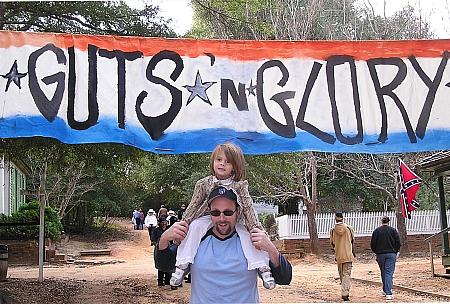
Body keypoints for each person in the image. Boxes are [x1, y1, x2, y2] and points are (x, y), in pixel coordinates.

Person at [155, 186, 292, 303]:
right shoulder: (197, 238)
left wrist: (271, 249)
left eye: (227, 212)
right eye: (216, 212)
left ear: (237, 212)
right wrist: (164, 238)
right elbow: (164, 265)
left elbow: (284, 278)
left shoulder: (249, 241)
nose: (222, 218)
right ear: (209, 212)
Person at [170, 142, 275, 289]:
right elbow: (193, 205)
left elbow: (247, 206)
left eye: (228, 161)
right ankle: (182, 264)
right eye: (219, 160)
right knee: (195, 227)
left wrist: (255, 227)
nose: (222, 164)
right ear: (213, 161)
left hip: (235, 219)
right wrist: (185, 223)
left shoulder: (240, 185)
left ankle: (263, 267)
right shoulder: (203, 183)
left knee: (250, 236)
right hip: (209, 216)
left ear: (235, 166)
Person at [371, 216, 401, 301]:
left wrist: (376, 251)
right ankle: (389, 292)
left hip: (380, 254)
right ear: (389, 221)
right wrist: (396, 251)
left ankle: (385, 290)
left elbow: (373, 243)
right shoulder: (393, 230)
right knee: (389, 273)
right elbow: (398, 242)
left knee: (383, 272)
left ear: (381, 221)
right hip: (391, 254)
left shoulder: (376, 231)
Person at [330, 212, 355, 302]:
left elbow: (332, 244)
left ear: (335, 219)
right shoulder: (349, 228)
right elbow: (352, 240)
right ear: (343, 218)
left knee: (342, 275)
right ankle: (345, 293)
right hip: (348, 255)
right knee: (346, 274)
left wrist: (336, 251)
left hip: (339, 256)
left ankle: (344, 290)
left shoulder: (333, 230)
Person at [152, 215, 172, 286]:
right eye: (162, 222)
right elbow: (153, 240)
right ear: (159, 223)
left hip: (168, 250)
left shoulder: (169, 229)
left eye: (165, 222)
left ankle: (168, 280)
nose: (164, 224)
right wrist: (158, 245)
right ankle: (160, 281)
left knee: (168, 264)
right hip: (159, 250)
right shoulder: (156, 230)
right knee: (160, 265)